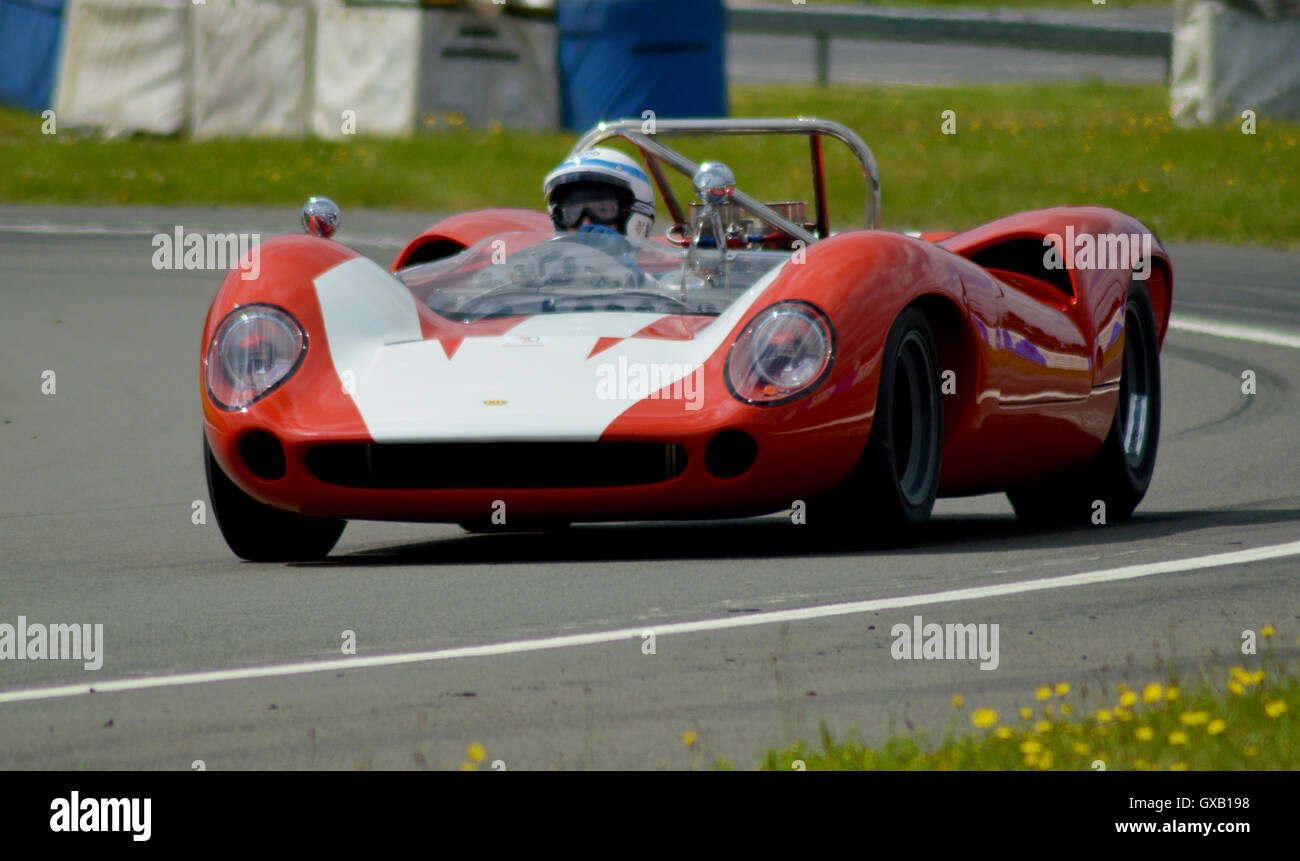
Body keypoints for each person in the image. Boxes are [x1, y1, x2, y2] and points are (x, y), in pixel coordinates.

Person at [542, 147, 656, 244]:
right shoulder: (543, 265)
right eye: (573, 213)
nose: (585, 226)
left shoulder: (657, 268)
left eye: (602, 210)